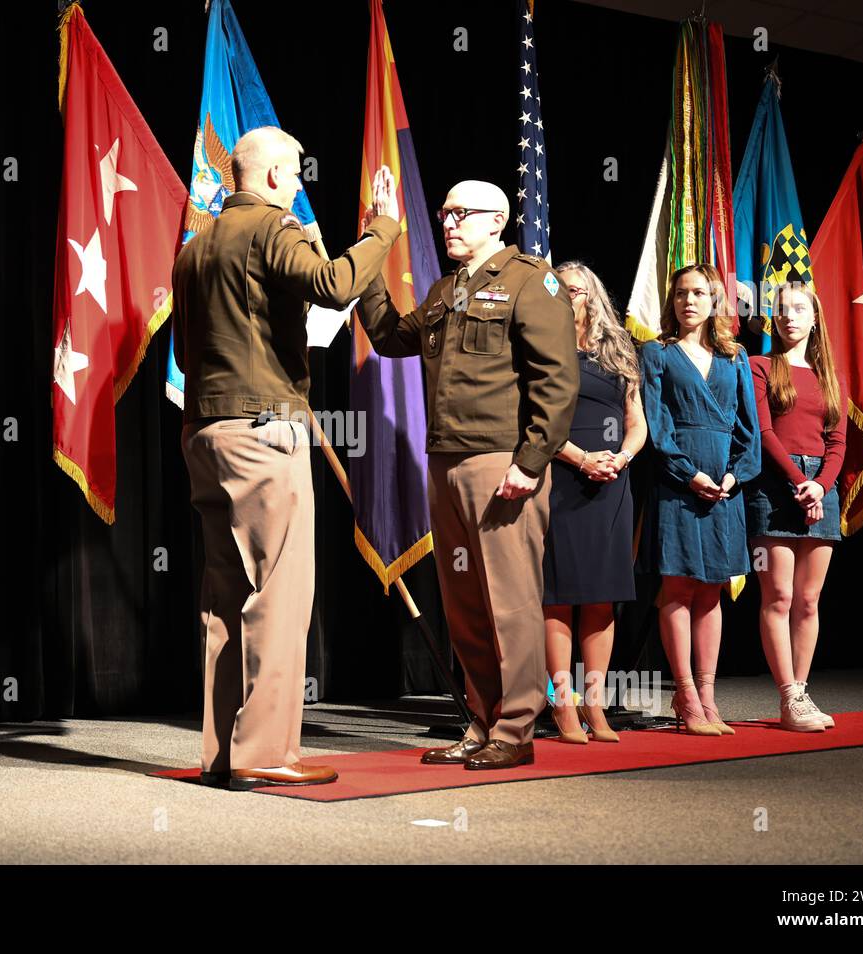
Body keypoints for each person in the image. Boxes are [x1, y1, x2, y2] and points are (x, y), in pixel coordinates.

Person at [171, 127, 401, 790]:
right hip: (266, 431)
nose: (300, 186)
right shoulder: (274, 227)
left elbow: (186, 355)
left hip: (205, 432)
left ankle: (223, 752)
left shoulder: (194, 248)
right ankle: (265, 752)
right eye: (296, 175)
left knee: (225, 600)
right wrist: (381, 227)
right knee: (278, 596)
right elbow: (335, 285)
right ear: (273, 177)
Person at [357, 179, 578, 769]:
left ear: (496, 220)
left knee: (509, 600)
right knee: (466, 604)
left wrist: (530, 463)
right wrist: (370, 257)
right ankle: (482, 721)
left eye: (460, 213)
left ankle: (517, 729)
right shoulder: (443, 291)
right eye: (444, 212)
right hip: (446, 460)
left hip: (501, 462)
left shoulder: (533, 281)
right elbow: (387, 337)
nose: (448, 222)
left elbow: (557, 382)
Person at [639, 263, 760, 737]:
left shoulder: (735, 358)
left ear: (715, 302)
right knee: (678, 589)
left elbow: (750, 432)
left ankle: (709, 697)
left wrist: (733, 476)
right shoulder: (658, 353)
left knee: (711, 593)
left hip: (725, 490)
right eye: (680, 293)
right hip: (677, 486)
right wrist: (689, 475)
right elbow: (656, 425)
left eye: (698, 293)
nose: (688, 301)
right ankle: (685, 694)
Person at [542, 262, 646, 744]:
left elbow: (636, 420)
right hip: (560, 474)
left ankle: (597, 705)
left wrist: (621, 458)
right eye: (562, 291)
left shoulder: (619, 349)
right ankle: (562, 704)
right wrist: (582, 458)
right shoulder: (542, 344)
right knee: (558, 595)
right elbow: (533, 419)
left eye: (579, 291)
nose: (571, 298)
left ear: (594, 296)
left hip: (611, 481)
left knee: (601, 595)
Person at [746, 282, 847, 731]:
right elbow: (764, 433)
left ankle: (801, 695)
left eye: (799, 309)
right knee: (779, 595)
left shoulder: (829, 376)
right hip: (775, 487)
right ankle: (787, 695)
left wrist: (821, 487)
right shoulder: (761, 366)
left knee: (808, 600)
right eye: (781, 310)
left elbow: (837, 441)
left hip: (820, 493)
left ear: (813, 318)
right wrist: (800, 481)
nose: (789, 316)